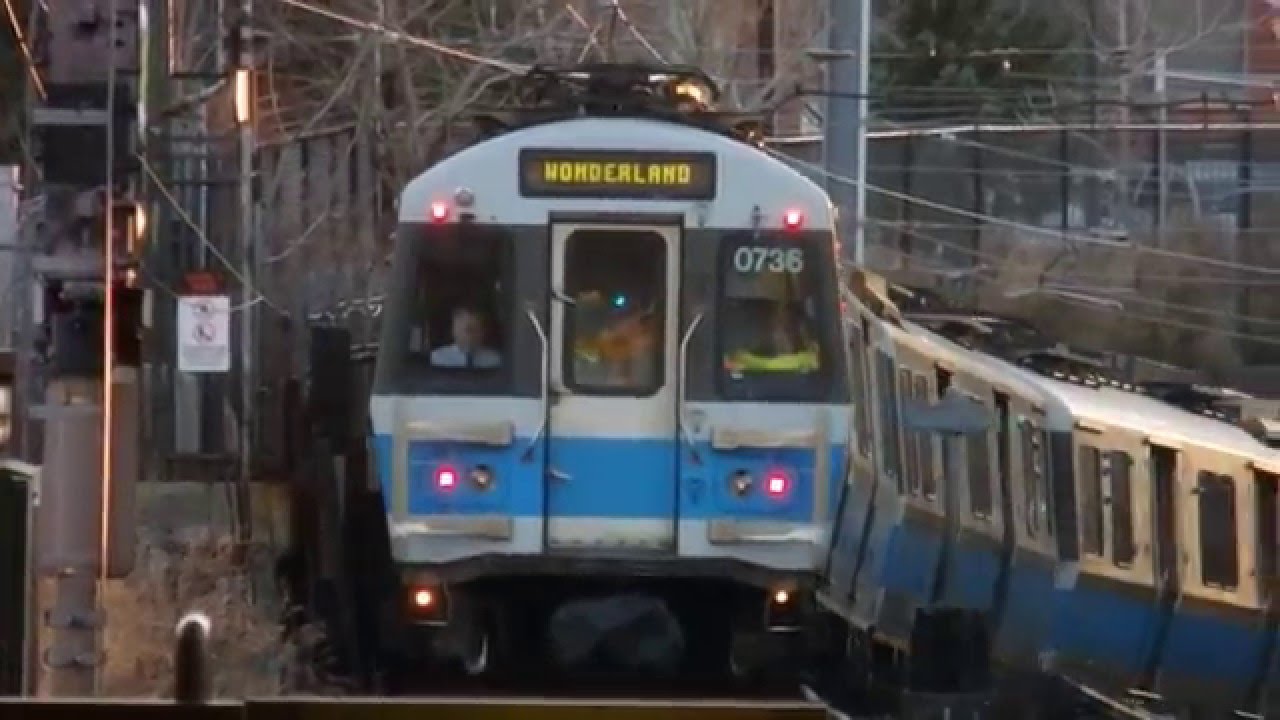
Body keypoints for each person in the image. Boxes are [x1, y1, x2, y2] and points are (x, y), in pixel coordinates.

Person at [431, 305, 501, 368]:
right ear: (453, 330)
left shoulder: (494, 359)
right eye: (466, 329)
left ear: (483, 332)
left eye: (474, 329)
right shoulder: (438, 358)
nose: (469, 335)